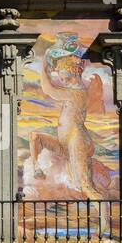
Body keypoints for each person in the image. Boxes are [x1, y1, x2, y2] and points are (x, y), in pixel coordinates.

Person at [28, 35, 109, 201]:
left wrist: (44, 66)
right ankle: (38, 170)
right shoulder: (72, 90)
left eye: (64, 76)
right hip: (64, 142)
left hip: (76, 140)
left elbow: (48, 89)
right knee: (35, 137)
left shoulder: (77, 93)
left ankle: (104, 221)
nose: (61, 79)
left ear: (72, 72)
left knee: (85, 186)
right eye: (61, 76)